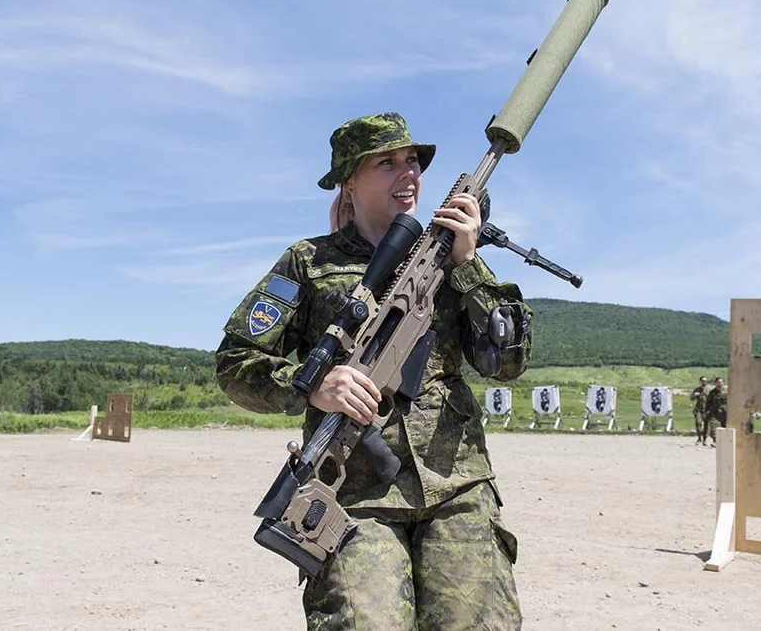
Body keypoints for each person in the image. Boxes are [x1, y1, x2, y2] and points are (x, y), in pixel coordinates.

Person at [214, 111, 534, 630]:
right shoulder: (307, 262)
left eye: (412, 161)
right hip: (354, 499)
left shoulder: (452, 256)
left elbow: (508, 364)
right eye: (387, 164)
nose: (407, 174)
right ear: (349, 180)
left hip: (456, 486)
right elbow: (234, 365)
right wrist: (314, 385)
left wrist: (469, 263)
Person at [705, 376, 728, 445]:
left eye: (721, 382)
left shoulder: (726, 391)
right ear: (715, 383)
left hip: (725, 411)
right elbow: (708, 403)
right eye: (718, 382)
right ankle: (715, 441)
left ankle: (725, 442)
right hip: (715, 412)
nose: (720, 384)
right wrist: (706, 412)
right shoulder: (712, 392)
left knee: (725, 426)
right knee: (714, 426)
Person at [690, 376, 708, 445]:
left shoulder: (709, 390)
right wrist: (694, 395)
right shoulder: (697, 389)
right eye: (703, 381)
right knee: (698, 422)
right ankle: (699, 438)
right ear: (700, 381)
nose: (704, 382)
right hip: (699, 409)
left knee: (706, 425)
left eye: (705, 381)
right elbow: (691, 398)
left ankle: (705, 439)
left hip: (706, 409)